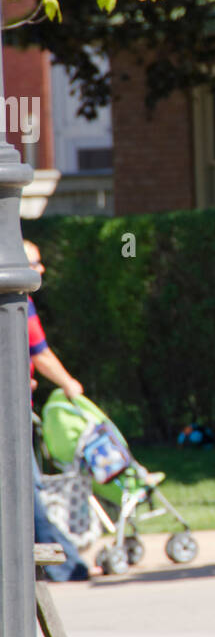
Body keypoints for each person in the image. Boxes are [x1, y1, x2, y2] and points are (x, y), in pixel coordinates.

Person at [25, 240, 90, 582]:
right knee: (27, 486)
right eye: (35, 262)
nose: (42, 269)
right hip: (11, 410)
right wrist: (68, 383)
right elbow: (40, 353)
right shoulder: (20, 301)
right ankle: (64, 565)